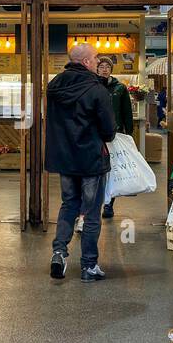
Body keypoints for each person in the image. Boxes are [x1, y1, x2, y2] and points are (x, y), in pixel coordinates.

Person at [46, 42, 116, 282]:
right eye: (95, 58)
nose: (98, 62)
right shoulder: (97, 89)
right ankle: (88, 265)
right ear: (86, 62)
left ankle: (59, 252)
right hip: (91, 160)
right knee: (92, 212)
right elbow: (109, 130)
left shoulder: (54, 86)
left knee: (68, 206)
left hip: (65, 159)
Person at [96, 56, 134, 220]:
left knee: (113, 170)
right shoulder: (93, 86)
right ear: (97, 69)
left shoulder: (120, 88)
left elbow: (127, 111)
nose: (104, 69)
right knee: (96, 171)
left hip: (115, 134)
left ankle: (109, 204)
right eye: (101, 66)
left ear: (111, 69)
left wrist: (129, 133)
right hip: (95, 135)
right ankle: (94, 203)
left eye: (107, 66)